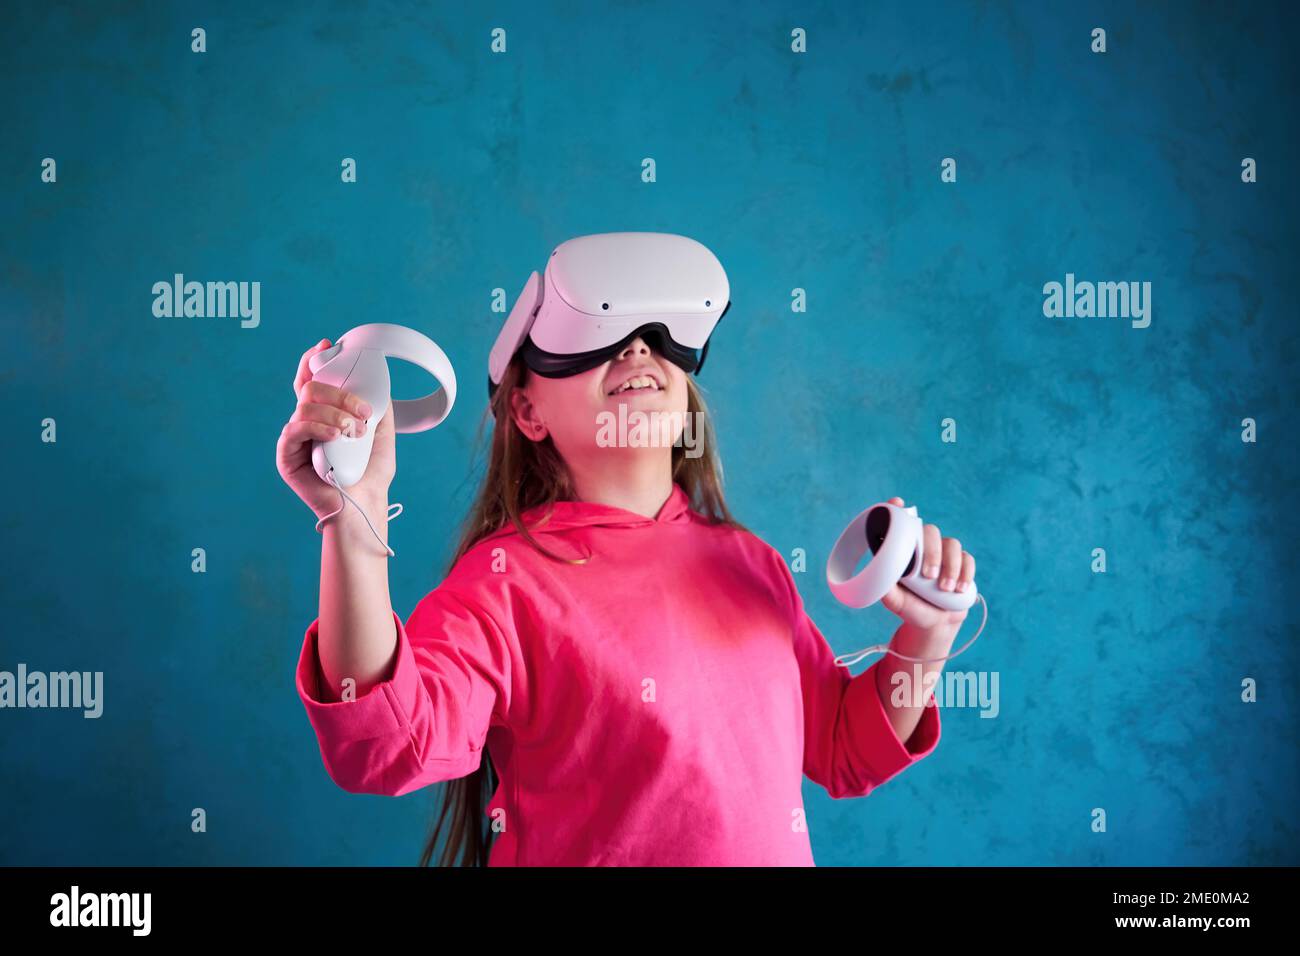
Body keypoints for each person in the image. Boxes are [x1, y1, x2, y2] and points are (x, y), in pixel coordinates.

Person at [276, 325, 976, 867]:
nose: (635, 343)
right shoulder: (506, 583)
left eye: (654, 331)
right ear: (527, 409)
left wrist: (929, 636)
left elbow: (842, 748)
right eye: (590, 338)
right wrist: (354, 513)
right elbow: (387, 744)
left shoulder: (751, 564)